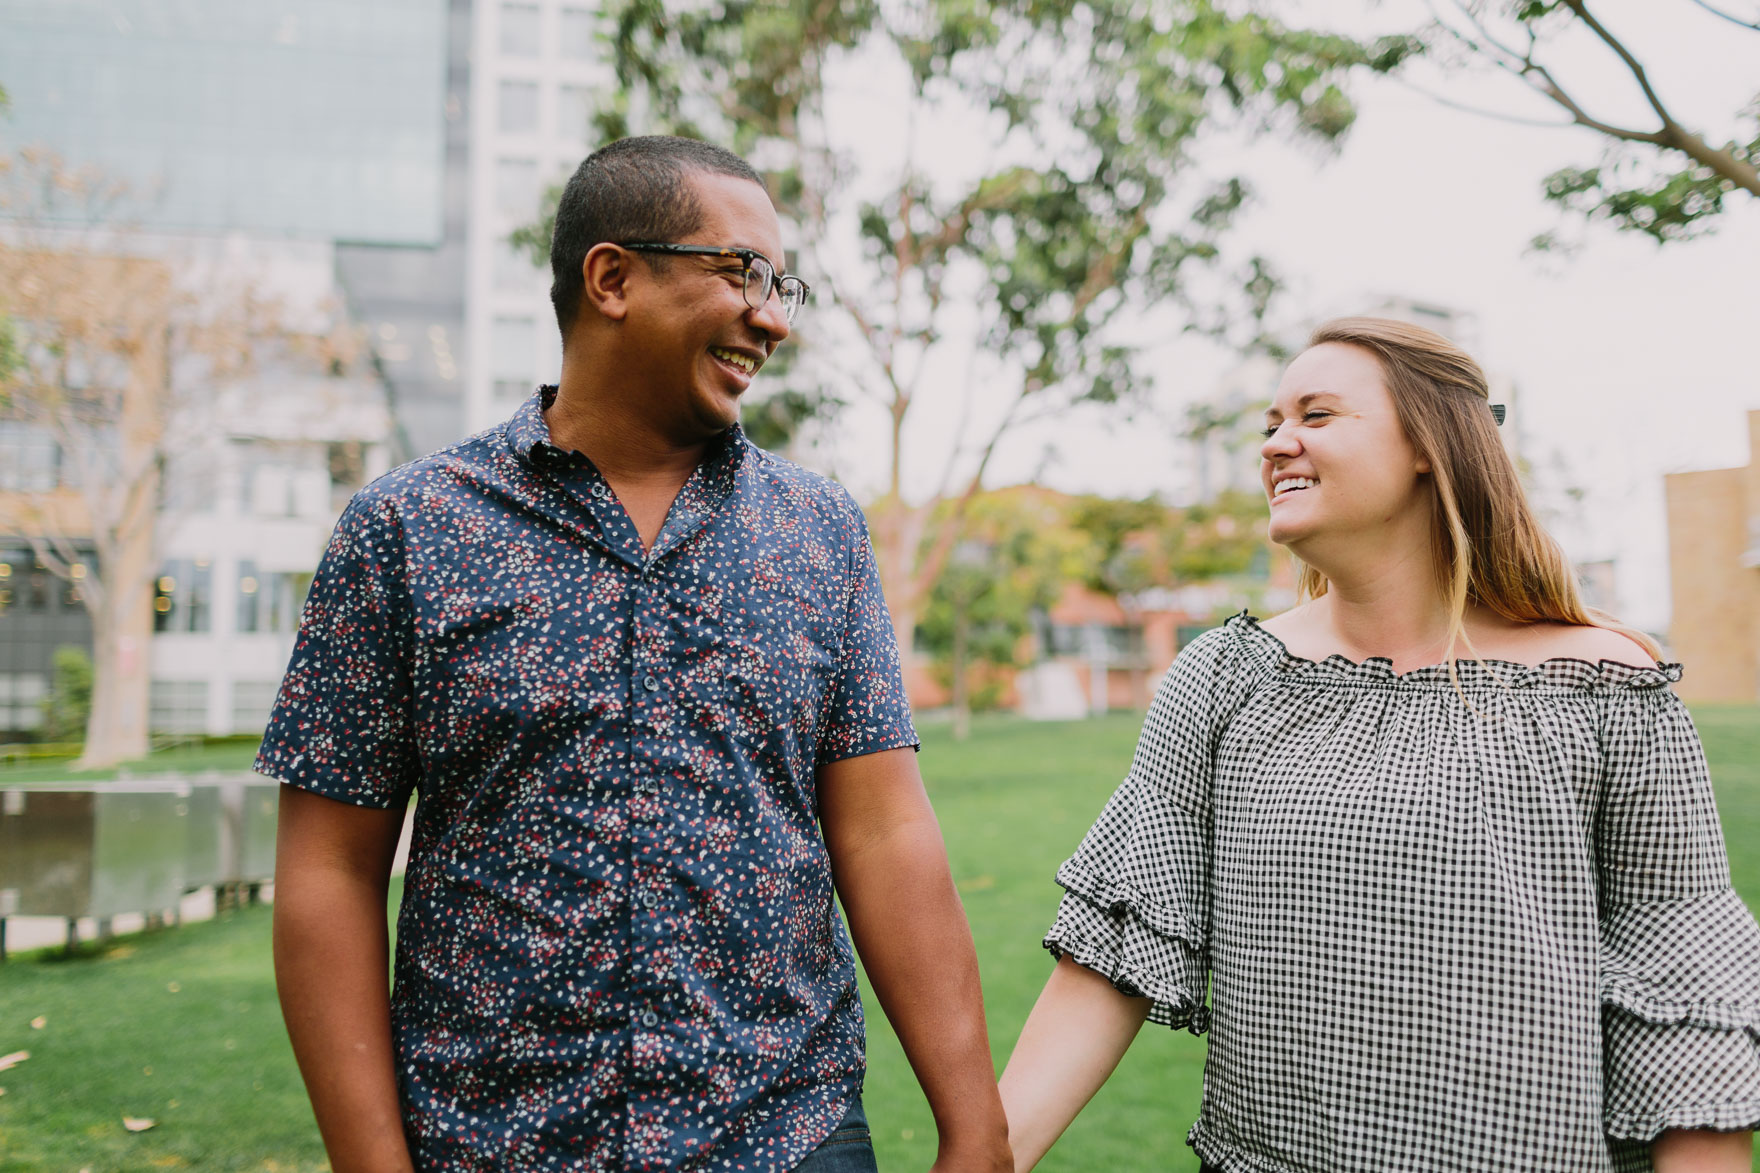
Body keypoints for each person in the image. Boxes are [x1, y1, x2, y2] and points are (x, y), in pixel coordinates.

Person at [263, 135, 1011, 1173]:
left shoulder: (819, 530)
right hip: (491, 1145)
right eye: (742, 271)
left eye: (782, 283)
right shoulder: (406, 528)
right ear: (611, 277)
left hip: (787, 1136)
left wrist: (975, 1127)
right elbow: (326, 871)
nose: (773, 317)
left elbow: (884, 831)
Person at [998, 317, 1760, 1172]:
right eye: (1270, 425)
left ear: (1431, 444)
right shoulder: (1221, 677)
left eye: (1316, 417)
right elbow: (1113, 954)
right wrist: (982, 1160)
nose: (1277, 444)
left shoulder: (1609, 688)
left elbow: (1687, 993)